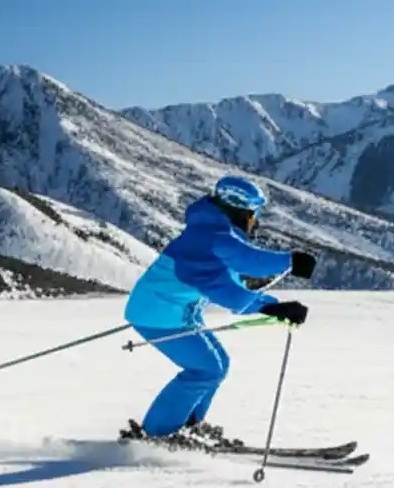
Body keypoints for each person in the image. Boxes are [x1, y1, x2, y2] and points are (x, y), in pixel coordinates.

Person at [122, 175, 317, 438]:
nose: (254, 222)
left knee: (218, 365)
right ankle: (157, 434)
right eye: (252, 215)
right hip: (158, 315)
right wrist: (290, 262)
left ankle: (188, 426)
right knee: (205, 369)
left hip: (174, 314)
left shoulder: (211, 234)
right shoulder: (209, 238)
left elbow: (237, 280)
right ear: (239, 211)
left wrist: (275, 305)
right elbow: (239, 273)